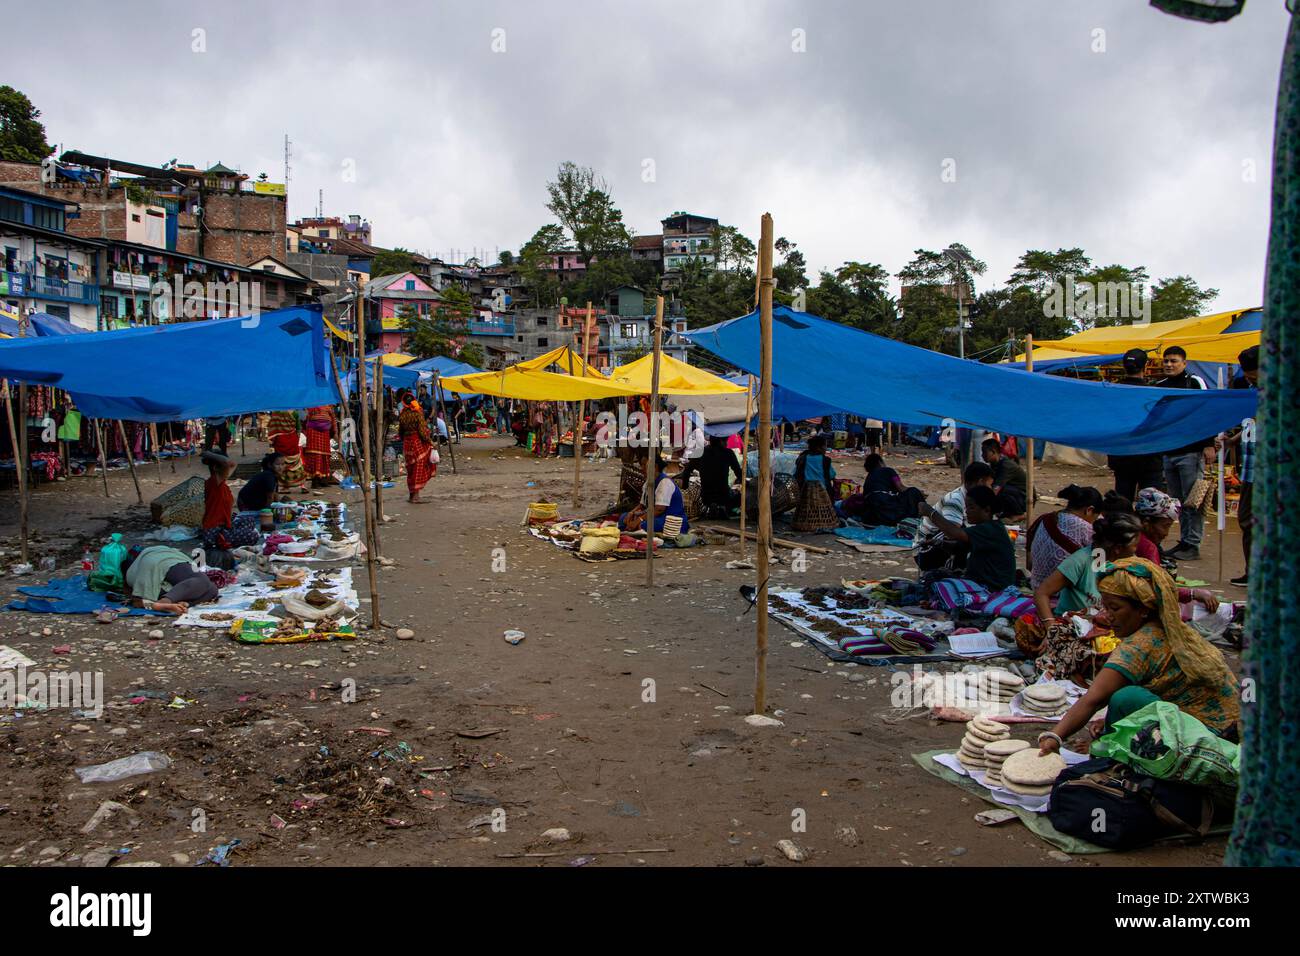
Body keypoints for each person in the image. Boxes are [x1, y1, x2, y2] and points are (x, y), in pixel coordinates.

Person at [1038, 557, 1240, 757]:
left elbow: (1093, 699)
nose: (1106, 616)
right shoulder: (1175, 631)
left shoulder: (1141, 644)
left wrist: (1054, 736)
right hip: (1232, 729)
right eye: (1105, 607)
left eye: (1115, 608)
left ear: (1143, 609)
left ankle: (1109, 754)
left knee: (1126, 698)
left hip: (1209, 739)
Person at [1033, 511, 1218, 624]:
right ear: (1118, 548)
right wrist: (1051, 627)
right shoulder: (1081, 560)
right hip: (1075, 624)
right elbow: (1042, 593)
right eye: (1134, 546)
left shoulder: (1127, 563)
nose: (1136, 551)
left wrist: (1194, 594)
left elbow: (1155, 589)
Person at [1155, 345, 1217, 561]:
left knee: (1193, 501)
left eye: (1173, 361)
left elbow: (1206, 412)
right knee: (1178, 502)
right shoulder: (1159, 386)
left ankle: (1192, 543)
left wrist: (1209, 443)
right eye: (1166, 361)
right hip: (1169, 452)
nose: (1169, 365)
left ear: (1184, 363)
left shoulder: (1194, 382)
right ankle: (1184, 541)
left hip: (1191, 451)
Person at [918, 485, 1016, 590]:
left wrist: (930, 512)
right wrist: (938, 543)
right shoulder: (986, 528)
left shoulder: (991, 529)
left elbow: (953, 533)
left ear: (987, 510)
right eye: (966, 507)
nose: (967, 511)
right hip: (985, 583)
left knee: (935, 584)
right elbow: (959, 548)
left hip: (993, 587)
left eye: (971, 507)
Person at [914, 461, 994, 572]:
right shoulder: (955, 499)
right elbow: (952, 534)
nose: (991, 488)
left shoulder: (972, 499)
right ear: (980, 482)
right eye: (990, 484)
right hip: (926, 551)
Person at [1106, 348, 1165, 501]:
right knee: (1151, 505)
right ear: (1145, 367)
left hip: (1121, 455)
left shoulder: (1113, 393)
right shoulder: (1153, 394)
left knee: (1122, 503)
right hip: (1149, 456)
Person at [1226, 344, 1259, 586]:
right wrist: (1232, 441)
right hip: (1250, 468)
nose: (1249, 379)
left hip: (1267, 471)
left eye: (1252, 374)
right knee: (1247, 520)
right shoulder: (1250, 391)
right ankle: (1253, 572)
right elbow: (1251, 424)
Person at [1026, 484, 1102, 590]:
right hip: (1063, 592)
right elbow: (1099, 567)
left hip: (1036, 586)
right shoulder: (1086, 528)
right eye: (1095, 518)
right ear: (1089, 510)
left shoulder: (1045, 518)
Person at [120, 545, 219, 616]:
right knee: (204, 582)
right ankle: (165, 601)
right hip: (161, 561)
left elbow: (136, 598)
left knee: (213, 589)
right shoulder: (153, 553)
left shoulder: (133, 574)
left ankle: (181, 604)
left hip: (157, 582)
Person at [840, 453, 925, 525]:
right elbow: (901, 488)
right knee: (914, 491)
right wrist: (919, 493)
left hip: (872, 514)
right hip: (886, 509)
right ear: (880, 462)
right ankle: (924, 517)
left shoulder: (869, 476)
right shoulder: (888, 471)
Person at [620, 453, 689, 537]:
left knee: (644, 525)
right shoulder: (648, 482)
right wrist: (631, 513)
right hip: (655, 516)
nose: (641, 468)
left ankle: (637, 529)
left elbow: (659, 510)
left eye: (644, 465)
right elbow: (642, 505)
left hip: (670, 519)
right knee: (623, 518)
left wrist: (639, 520)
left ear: (654, 467)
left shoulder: (664, 482)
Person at [201, 453, 259, 551]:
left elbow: (231, 464)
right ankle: (221, 541)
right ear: (216, 468)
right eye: (226, 467)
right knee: (253, 536)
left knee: (249, 520)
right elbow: (230, 463)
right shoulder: (214, 483)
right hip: (215, 531)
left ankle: (233, 534)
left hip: (224, 526)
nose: (229, 469)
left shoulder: (221, 484)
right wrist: (208, 453)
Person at [680, 435, 744, 518]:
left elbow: (687, 471)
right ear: (721, 442)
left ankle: (713, 507)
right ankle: (721, 507)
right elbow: (738, 472)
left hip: (705, 496)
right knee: (740, 496)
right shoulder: (728, 453)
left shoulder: (701, 452)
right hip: (723, 495)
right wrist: (745, 483)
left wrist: (685, 487)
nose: (727, 443)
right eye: (725, 441)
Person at [792, 435, 838, 532]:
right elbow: (832, 475)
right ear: (819, 447)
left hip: (805, 492)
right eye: (825, 446)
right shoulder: (825, 460)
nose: (826, 448)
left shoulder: (803, 458)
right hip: (823, 492)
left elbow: (796, 474)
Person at [398, 390, 436, 503]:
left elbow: (400, 432)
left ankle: (411, 495)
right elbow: (422, 431)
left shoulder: (403, 414)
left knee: (410, 469)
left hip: (407, 444)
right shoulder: (417, 412)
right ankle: (415, 497)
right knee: (418, 469)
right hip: (417, 443)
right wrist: (430, 441)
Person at [981, 438, 1027, 518]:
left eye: (984, 452)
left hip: (1024, 498)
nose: (982, 455)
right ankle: (1007, 512)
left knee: (999, 490)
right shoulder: (994, 463)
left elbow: (995, 489)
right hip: (1015, 493)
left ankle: (1019, 514)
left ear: (993, 452)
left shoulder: (1005, 465)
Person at [1133, 487, 1180, 566]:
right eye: (1165, 526)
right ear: (1146, 522)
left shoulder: (1129, 537)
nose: (1166, 533)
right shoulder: (1148, 548)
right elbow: (1156, 576)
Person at [266, 409, 307, 494]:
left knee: (282, 464)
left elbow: (271, 426)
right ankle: (302, 485)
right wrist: (297, 437)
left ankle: (286, 487)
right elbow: (298, 428)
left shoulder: (276, 412)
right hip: (292, 438)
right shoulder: (295, 412)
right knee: (296, 462)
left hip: (280, 440)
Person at [302, 405, 337, 487]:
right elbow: (333, 421)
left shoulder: (312, 406)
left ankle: (321, 480)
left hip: (317, 433)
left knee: (319, 455)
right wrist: (334, 432)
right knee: (319, 455)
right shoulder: (327, 406)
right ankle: (318, 481)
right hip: (319, 433)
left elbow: (306, 422)